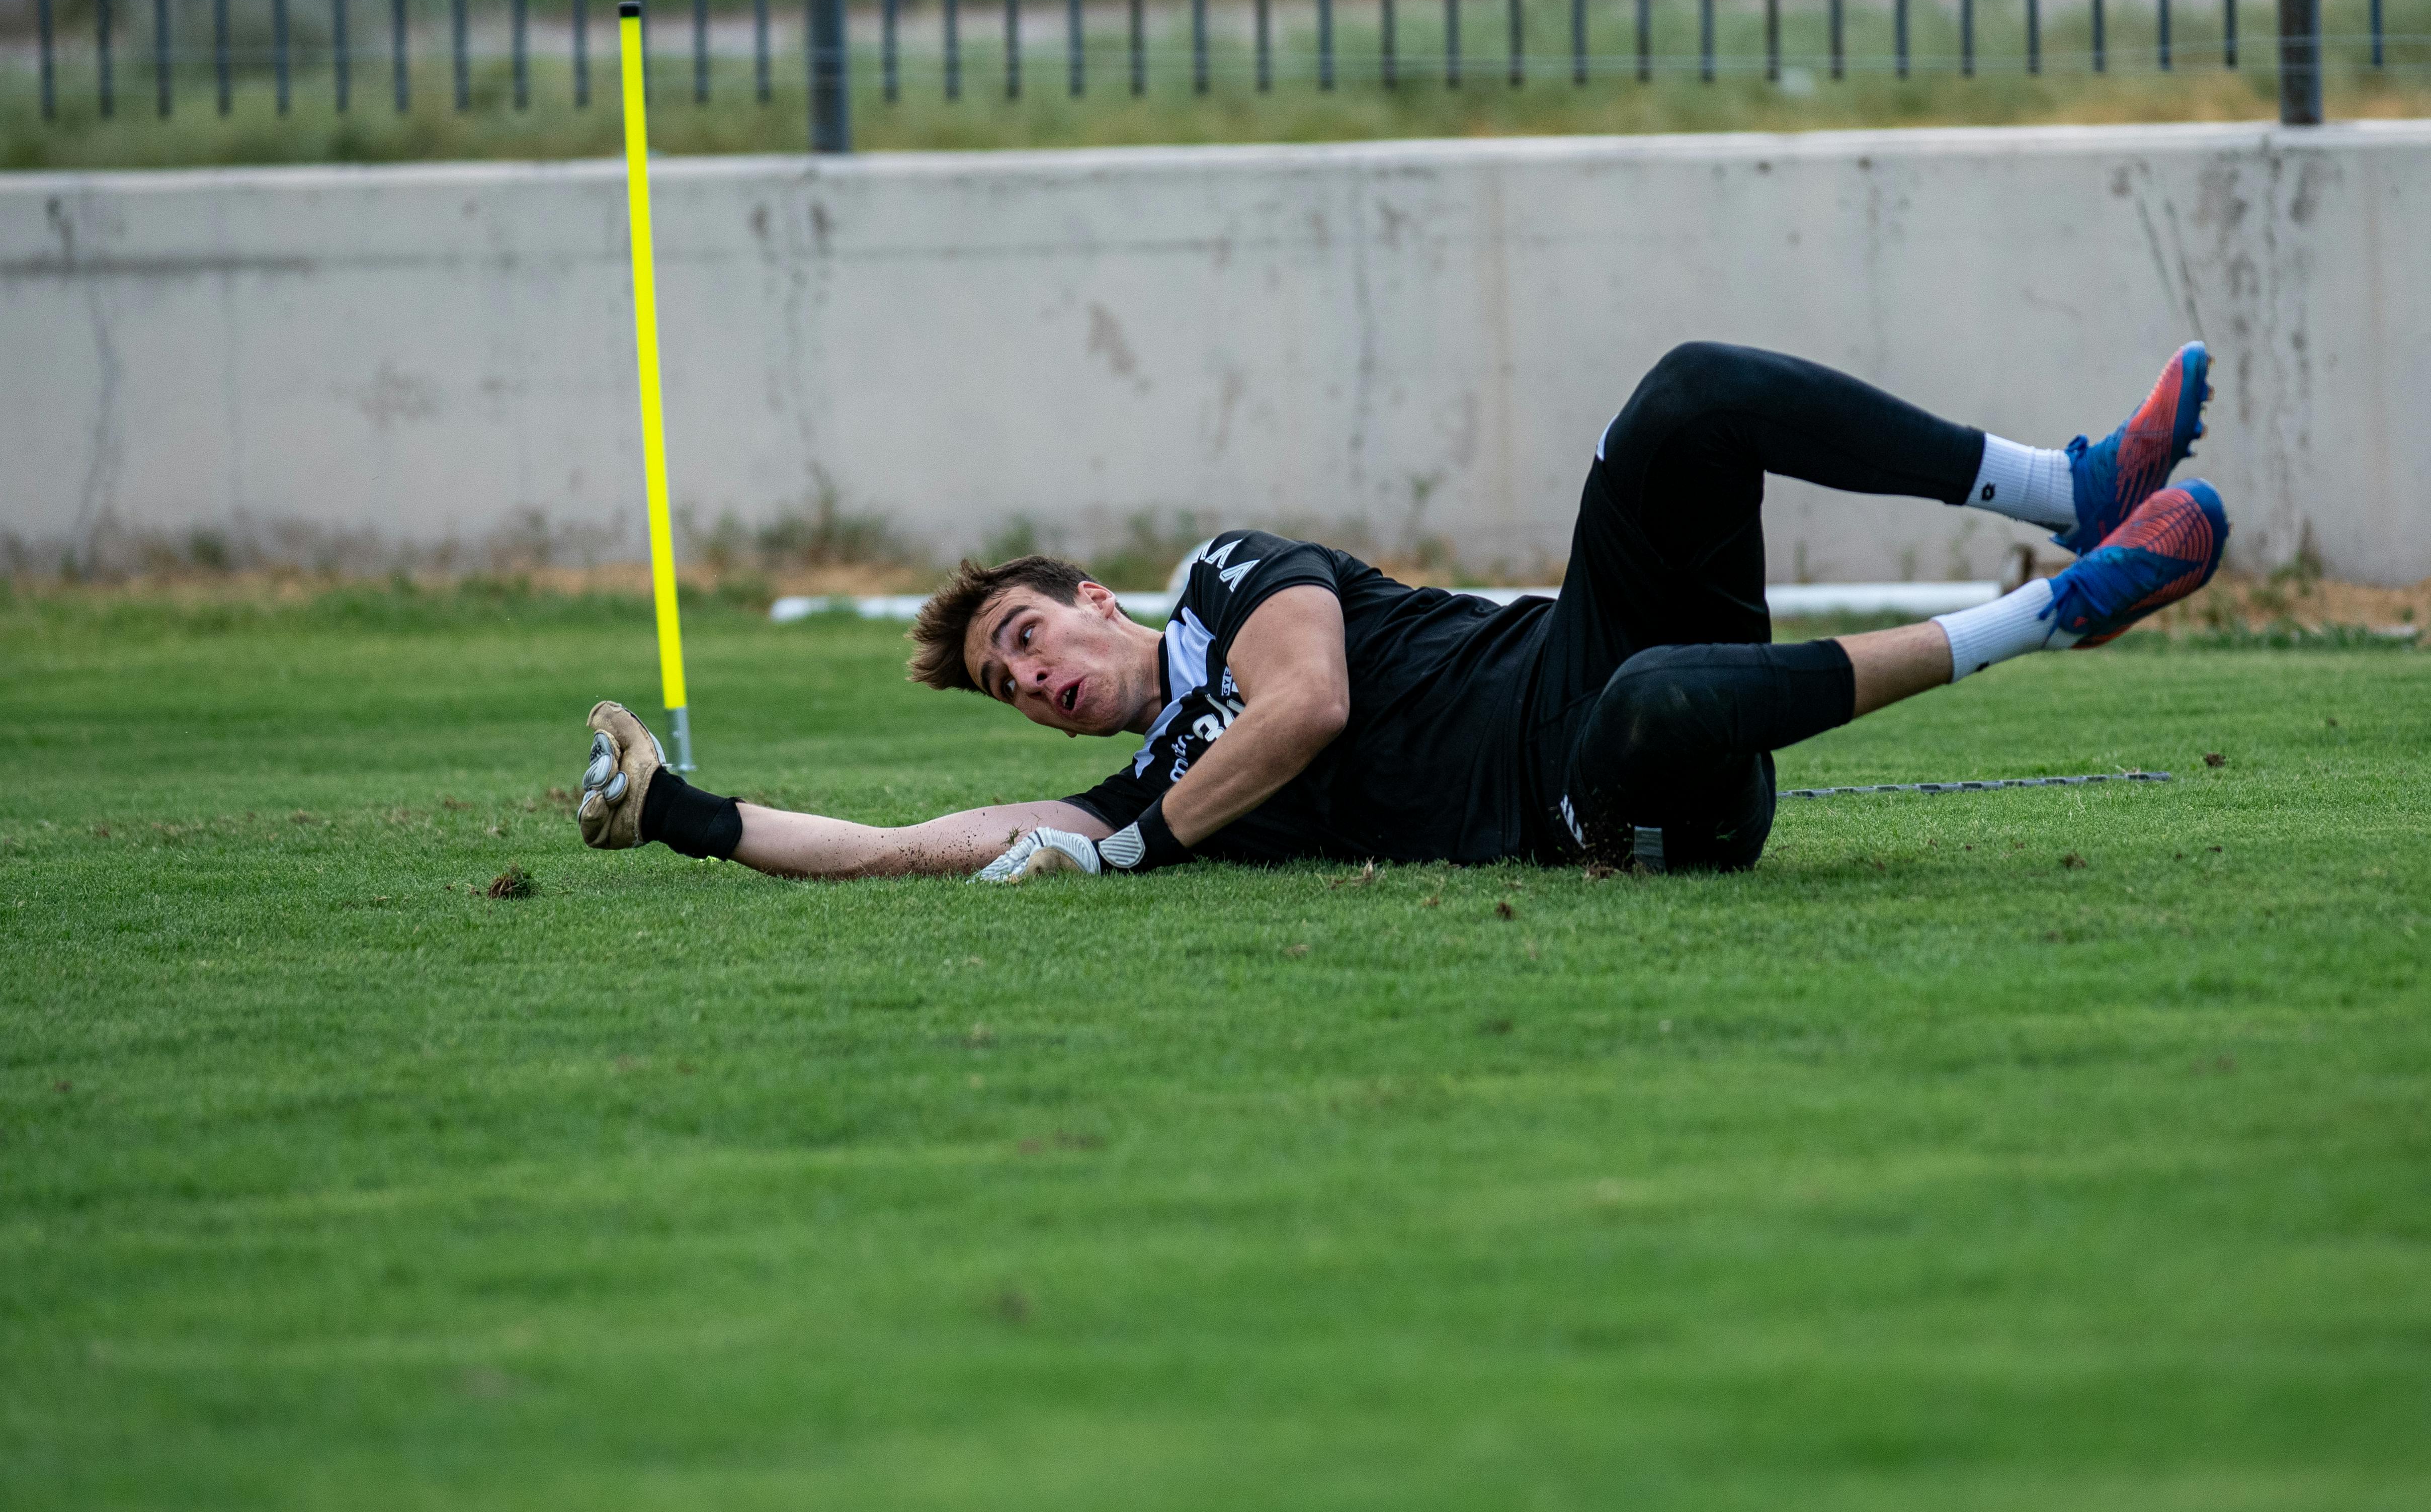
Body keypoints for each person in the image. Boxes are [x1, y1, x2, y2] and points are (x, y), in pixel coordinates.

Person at [571, 341, 2225, 880]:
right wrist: (682, 814)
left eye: (1025, 642)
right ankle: (2057, 616)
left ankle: (2061, 489)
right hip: (1601, 801)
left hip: (1581, 638)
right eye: (1013, 693)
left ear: (1089, 599)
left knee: (1685, 398)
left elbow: (1310, 706)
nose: (1036, 684)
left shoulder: (1226, 584)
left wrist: (1139, 848)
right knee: (1649, 704)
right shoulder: (1124, 799)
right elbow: (897, 849)